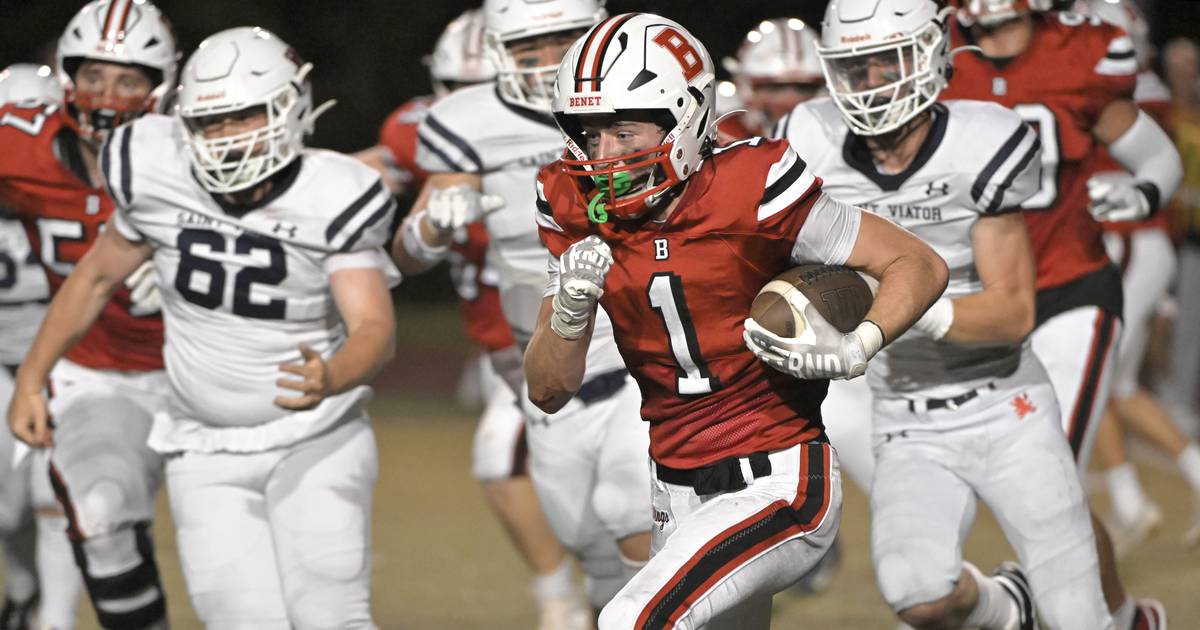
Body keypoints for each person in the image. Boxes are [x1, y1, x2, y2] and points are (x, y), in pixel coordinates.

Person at [528, 13, 947, 628]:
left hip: (777, 478)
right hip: (673, 483)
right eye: (590, 136)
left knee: (630, 620)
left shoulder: (753, 184)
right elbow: (547, 390)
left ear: (685, 119)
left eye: (623, 133)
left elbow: (916, 261)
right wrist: (569, 308)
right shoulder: (572, 205)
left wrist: (861, 341)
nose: (603, 156)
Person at [9, 26, 398, 628]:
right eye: (209, 122)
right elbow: (91, 280)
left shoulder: (333, 192)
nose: (224, 138)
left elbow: (374, 324)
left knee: (329, 614)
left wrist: (334, 373)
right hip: (201, 444)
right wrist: (33, 377)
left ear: (288, 109)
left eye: (243, 117)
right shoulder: (155, 165)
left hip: (316, 434)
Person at [779, 0, 1112, 626]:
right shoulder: (810, 138)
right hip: (906, 419)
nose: (870, 83)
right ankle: (1009, 609)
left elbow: (1012, 315)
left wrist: (897, 309)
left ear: (930, 53)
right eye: (854, 67)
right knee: (918, 596)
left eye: (884, 61)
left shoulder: (980, 138)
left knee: (1078, 617)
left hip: (1005, 405)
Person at [943, 0, 1184, 626]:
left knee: (1047, 474)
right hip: (983, 301)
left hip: (1070, 292)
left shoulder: (1078, 53)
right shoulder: (939, 52)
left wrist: (1143, 189)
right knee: (1052, 490)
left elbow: (1160, 156)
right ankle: (1126, 617)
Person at [360, 9, 590, 627]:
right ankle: (567, 595)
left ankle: (581, 595)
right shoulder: (431, 132)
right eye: (452, 89)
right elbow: (348, 178)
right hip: (507, 343)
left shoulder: (593, 113)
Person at [0, 2, 178, 628]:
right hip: (100, 371)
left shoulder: (199, 147)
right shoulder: (21, 144)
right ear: (64, 78)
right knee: (99, 515)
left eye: (129, 79)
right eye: (94, 76)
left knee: (238, 582)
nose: (108, 96)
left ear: (163, 86)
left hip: (210, 374)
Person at [1071, 0, 1200, 554]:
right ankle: (1131, 501)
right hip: (1139, 243)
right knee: (1112, 384)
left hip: (1128, 240)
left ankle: (1124, 500)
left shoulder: (1125, 90)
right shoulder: (1145, 86)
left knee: (1089, 375)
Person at [0, 63, 59, 630]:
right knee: (7, 507)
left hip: (68, 364)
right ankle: (25, 590)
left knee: (58, 500)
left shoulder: (81, 189)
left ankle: (50, 616)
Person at [719, 18, 825, 140]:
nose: (789, 99)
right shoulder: (720, 128)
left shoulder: (837, 135)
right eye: (774, 87)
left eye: (804, 88)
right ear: (743, 85)